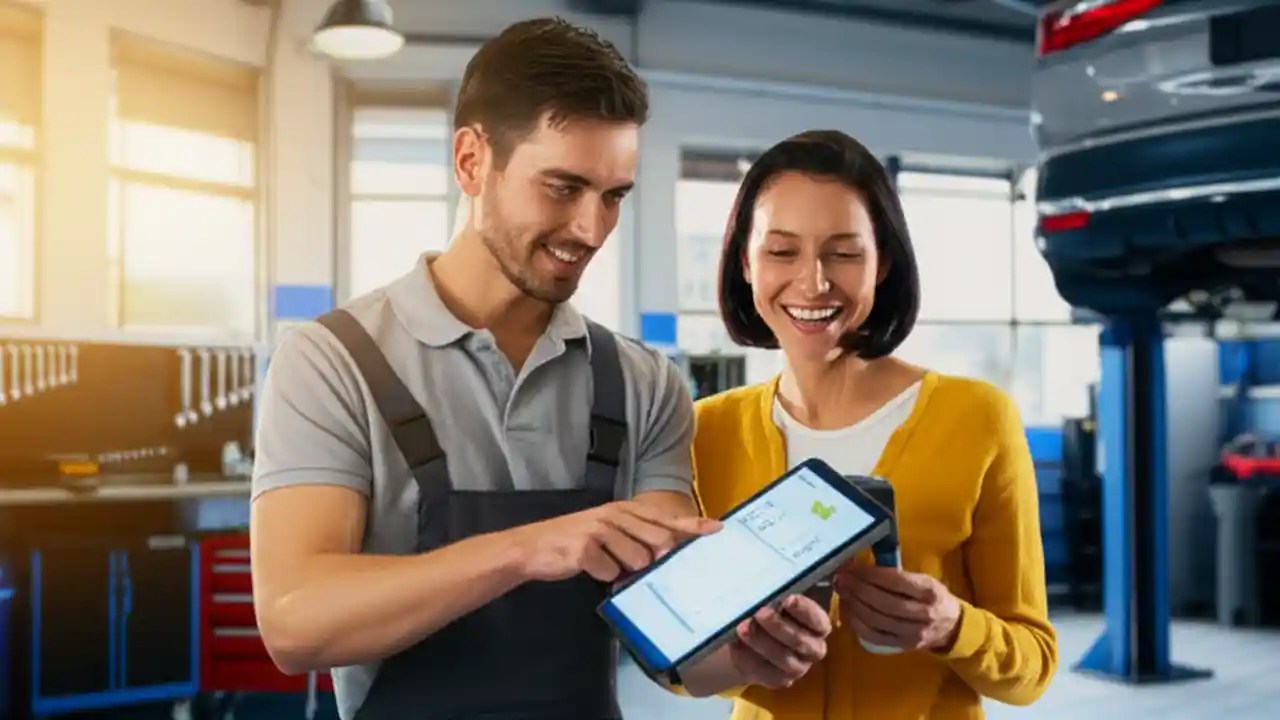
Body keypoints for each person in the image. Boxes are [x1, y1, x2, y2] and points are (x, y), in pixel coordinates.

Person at [249, 18, 830, 720]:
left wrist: (745, 653)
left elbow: (675, 642)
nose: (590, 229)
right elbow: (294, 625)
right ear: (471, 161)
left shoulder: (643, 384)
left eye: (614, 195)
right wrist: (525, 550)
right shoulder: (331, 363)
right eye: (562, 187)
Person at [687, 130, 1058, 718]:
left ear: (882, 261)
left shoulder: (977, 418)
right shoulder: (707, 432)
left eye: (844, 252)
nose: (813, 282)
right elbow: (683, 669)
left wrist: (952, 625)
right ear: (745, 264)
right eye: (782, 252)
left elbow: (1032, 667)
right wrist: (743, 661)